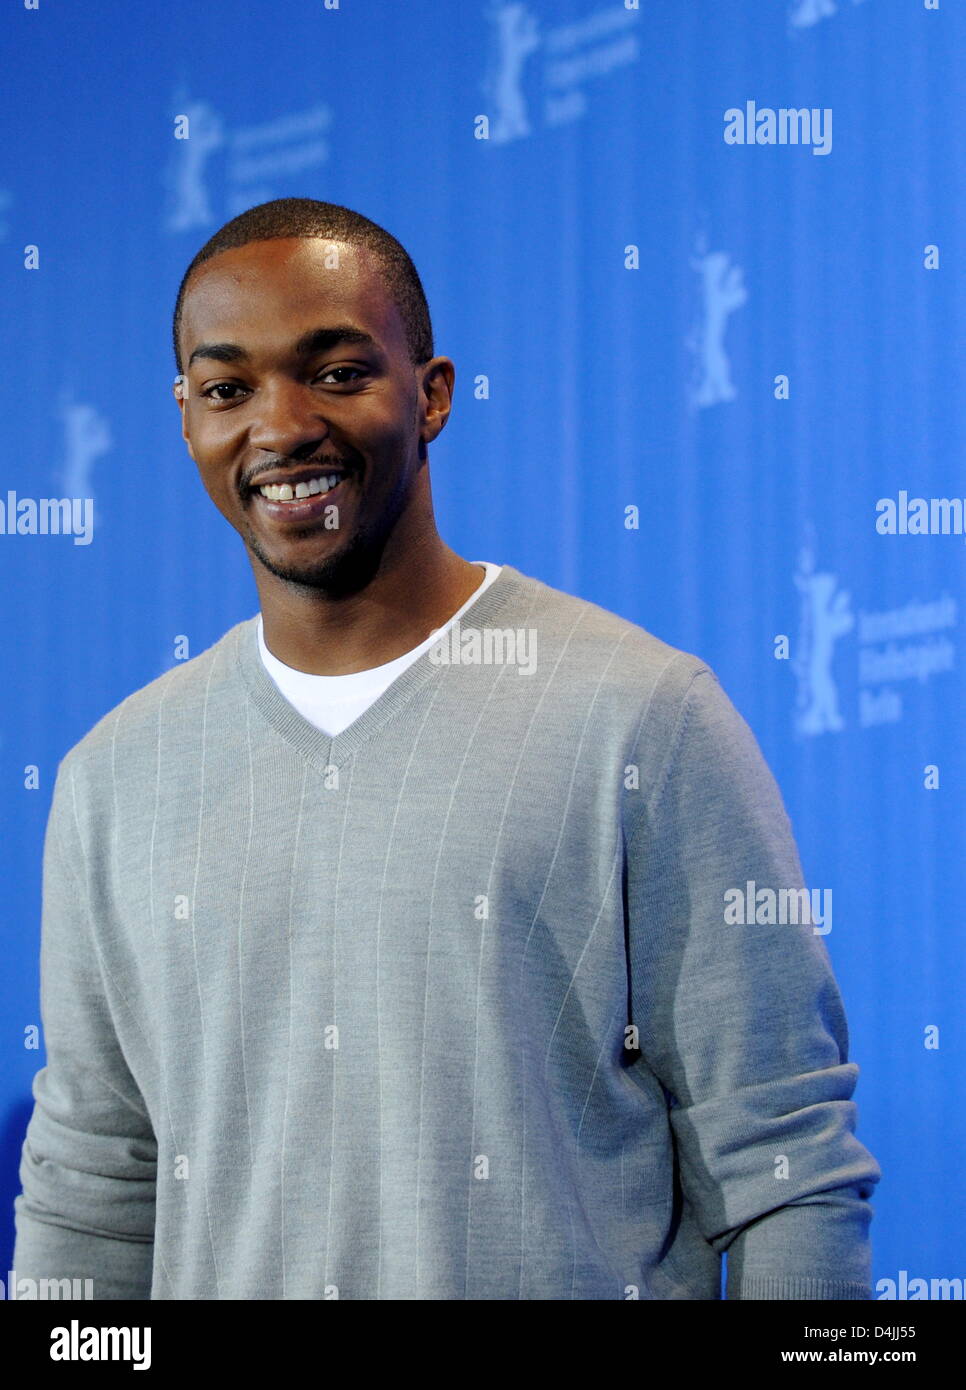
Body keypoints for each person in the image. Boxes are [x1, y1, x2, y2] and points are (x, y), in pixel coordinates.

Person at [13, 197, 881, 1300]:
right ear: (185, 417)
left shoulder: (643, 716)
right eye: (228, 387)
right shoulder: (109, 779)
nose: (280, 427)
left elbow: (785, 1158)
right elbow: (93, 1185)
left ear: (432, 397)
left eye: (335, 372)